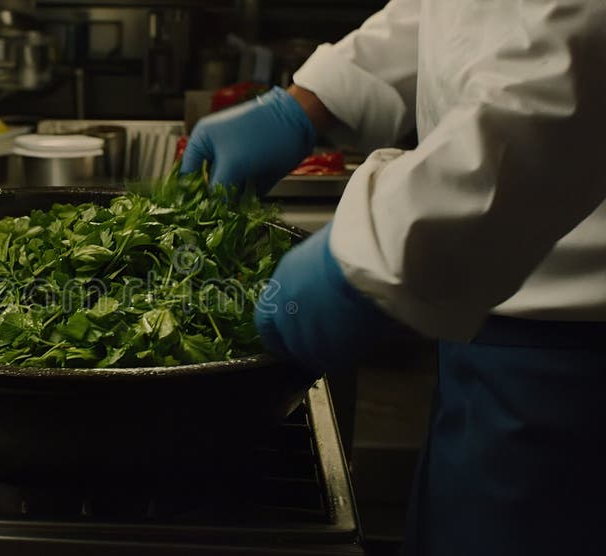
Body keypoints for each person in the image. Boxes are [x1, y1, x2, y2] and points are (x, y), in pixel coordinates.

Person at [180, 1, 606, 555]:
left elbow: (577, 64)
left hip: (576, 357)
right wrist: (312, 100)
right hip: (487, 337)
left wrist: (381, 241)